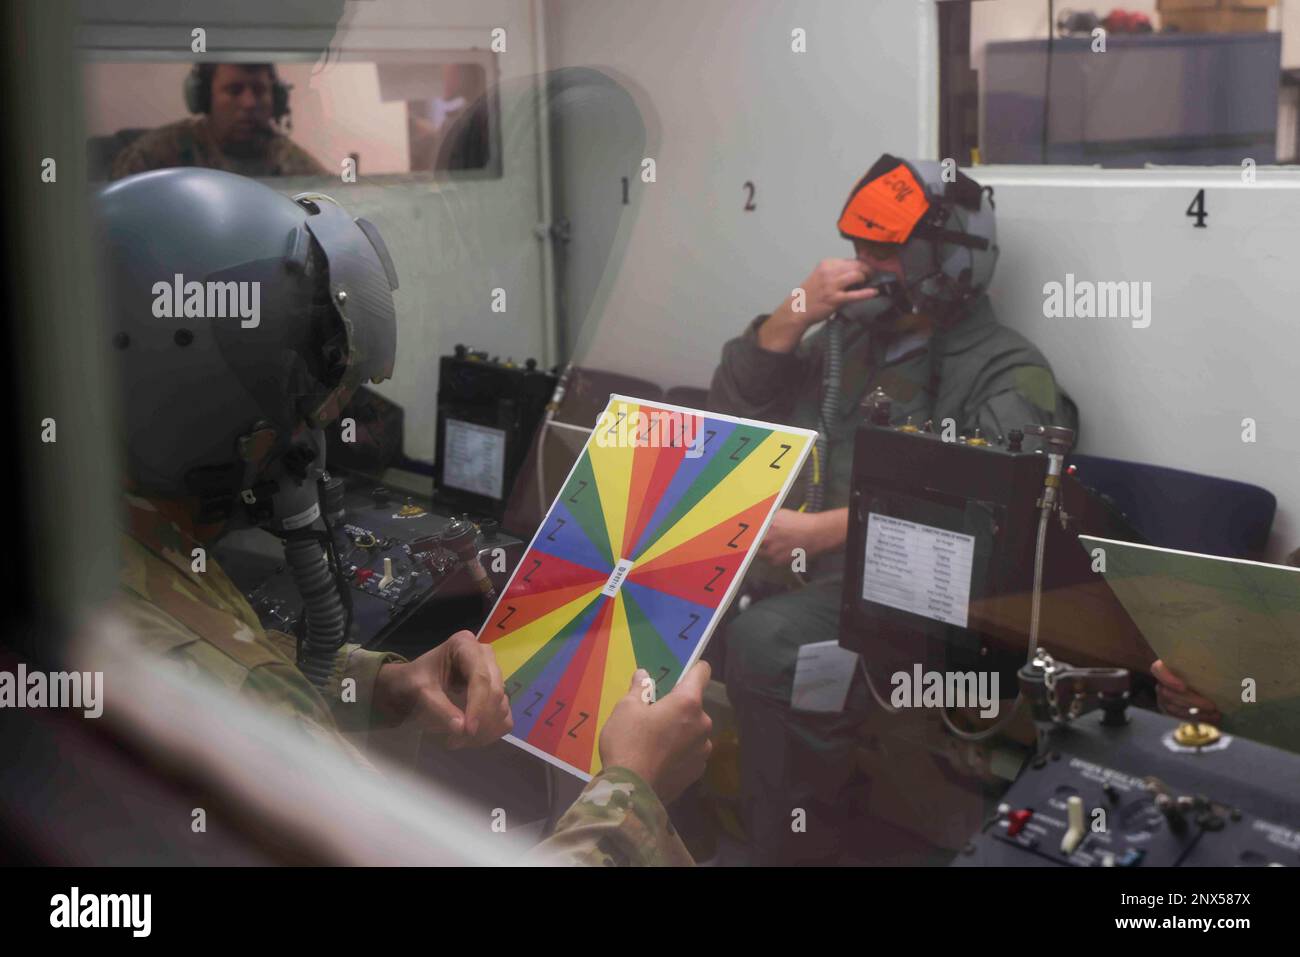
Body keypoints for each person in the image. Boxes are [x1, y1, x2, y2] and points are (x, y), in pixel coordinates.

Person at [100, 167, 711, 866]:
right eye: (305, 409)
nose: (315, 437)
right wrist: (633, 789)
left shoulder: (112, 545)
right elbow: (242, 682)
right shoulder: (239, 700)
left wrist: (385, 686)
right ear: (211, 411)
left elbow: (232, 646)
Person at [708, 154, 1078, 864]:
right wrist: (794, 313)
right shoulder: (842, 343)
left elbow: (984, 511)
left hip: (919, 600)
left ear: (949, 259)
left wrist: (815, 533)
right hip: (813, 575)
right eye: (857, 247)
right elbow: (734, 415)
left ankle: (796, 847)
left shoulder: (1008, 368)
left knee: (770, 644)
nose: (861, 264)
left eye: (883, 250)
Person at [110, 63, 328, 180]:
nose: (249, 103)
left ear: (277, 100)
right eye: (234, 90)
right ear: (205, 98)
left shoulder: (294, 165)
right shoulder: (154, 157)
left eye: (259, 90)